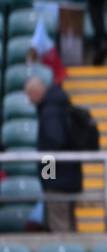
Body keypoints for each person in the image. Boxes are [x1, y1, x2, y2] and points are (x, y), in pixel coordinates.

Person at [25, 76, 82, 233]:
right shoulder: (58, 105)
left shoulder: (50, 111)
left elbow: (52, 143)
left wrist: (48, 179)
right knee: (69, 222)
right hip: (68, 175)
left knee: (60, 225)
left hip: (59, 179)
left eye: (29, 96)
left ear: (36, 92)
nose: (29, 101)